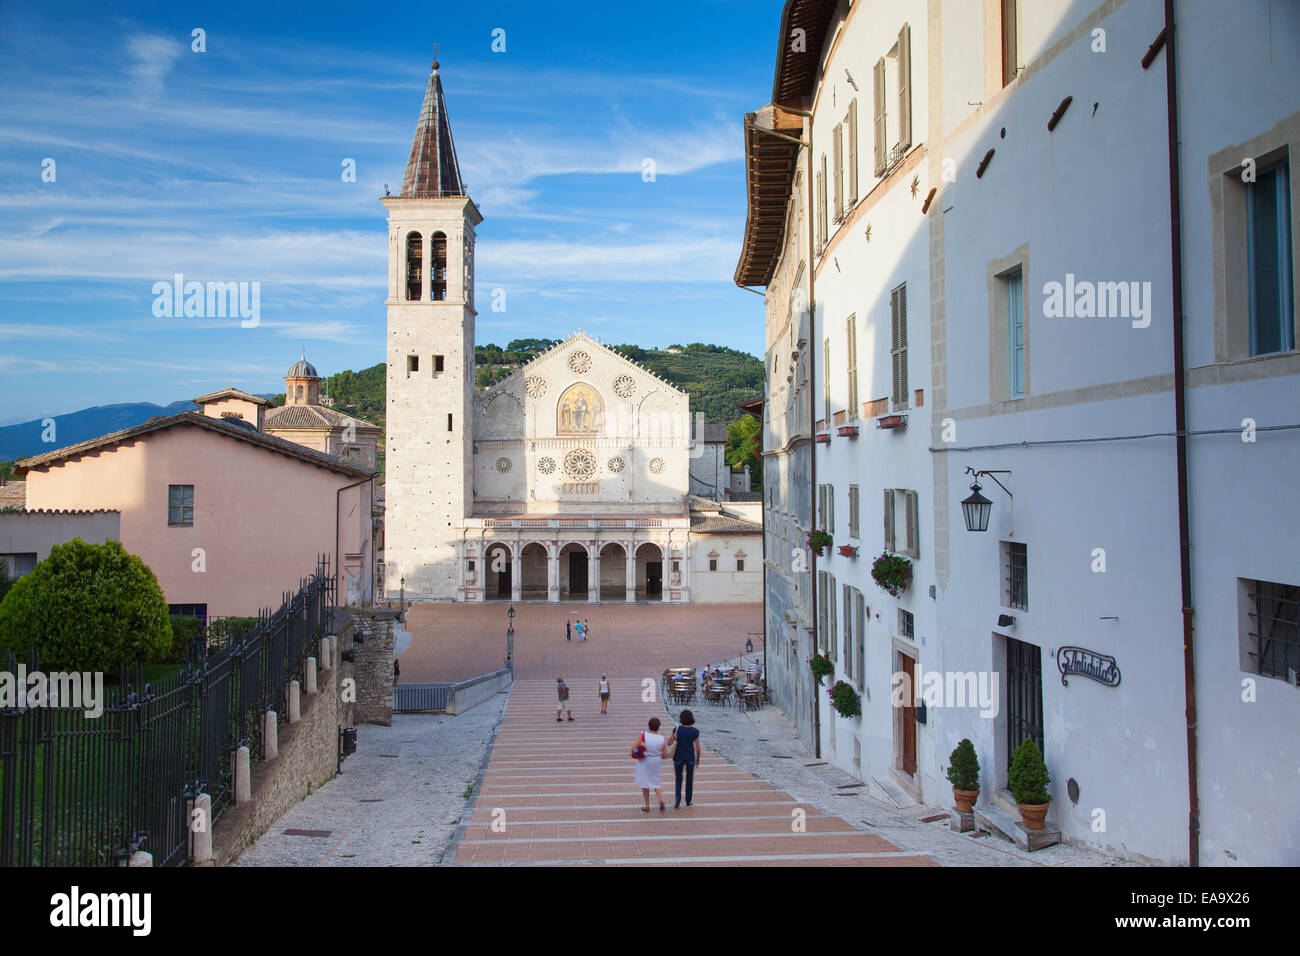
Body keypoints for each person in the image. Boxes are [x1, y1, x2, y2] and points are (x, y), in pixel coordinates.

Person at [667, 709, 702, 808]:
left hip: (678, 757)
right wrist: (698, 760)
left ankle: (678, 798)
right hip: (690, 757)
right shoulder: (695, 731)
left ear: (681, 718)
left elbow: (669, 742)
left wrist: (671, 740)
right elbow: (698, 748)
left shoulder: (677, 729)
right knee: (689, 779)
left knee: (678, 778)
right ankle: (688, 800)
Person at [634, 717, 666, 811]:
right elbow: (664, 754)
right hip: (656, 761)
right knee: (656, 782)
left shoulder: (643, 735)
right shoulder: (662, 738)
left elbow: (634, 747)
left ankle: (647, 805)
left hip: (645, 760)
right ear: (658, 727)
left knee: (645, 783)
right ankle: (660, 799)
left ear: (649, 725)